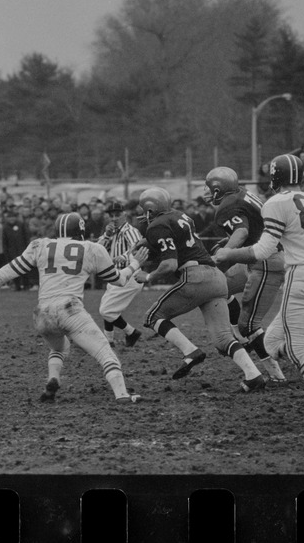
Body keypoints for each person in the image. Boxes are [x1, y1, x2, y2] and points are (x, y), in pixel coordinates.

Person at [212, 154, 304, 423]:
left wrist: (228, 254)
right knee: (271, 344)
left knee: (298, 350)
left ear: (275, 177)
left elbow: (263, 250)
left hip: (300, 278)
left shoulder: (276, 203)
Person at [0, 212, 146, 403]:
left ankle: (52, 382)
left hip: (42, 313)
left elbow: (14, 267)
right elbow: (119, 280)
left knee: (60, 348)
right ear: (81, 230)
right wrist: (135, 263)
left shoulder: (40, 245)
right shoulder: (92, 248)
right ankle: (122, 394)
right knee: (104, 352)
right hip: (70, 310)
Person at [134, 186, 267, 392]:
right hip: (216, 278)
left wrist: (148, 276)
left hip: (196, 277)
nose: (144, 215)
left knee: (153, 316)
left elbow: (169, 263)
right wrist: (141, 247)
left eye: (145, 211)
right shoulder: (181, 216)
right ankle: (254, 375)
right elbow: (171, 243)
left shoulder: (157, 226)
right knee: (223, 338)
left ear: (151, 209)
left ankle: (190, 351)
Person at [201, 167, 287, 381]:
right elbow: (252, 226)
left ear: (219, 189)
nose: (206, 192)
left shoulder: (227, 206)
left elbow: (241, 231)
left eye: (209, 188)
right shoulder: (242, 194)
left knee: (249, 324)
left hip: (264, 261)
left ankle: (280, 372)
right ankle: (240, 336)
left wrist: (225, 252)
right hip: (263, 256)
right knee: (220, 286)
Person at [96, 200, 146, 347]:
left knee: (106, 310)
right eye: (111, 216)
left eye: (117, 215)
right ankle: (109, 340)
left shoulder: (129, 230)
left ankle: (131, 332)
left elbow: (137, 247)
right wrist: (106, 235)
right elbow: (96, 249)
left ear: (124, 214)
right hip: (116, 274)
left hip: (130, 275)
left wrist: (124, 256)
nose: (114, 218)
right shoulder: (113, 231)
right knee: (108, 306)